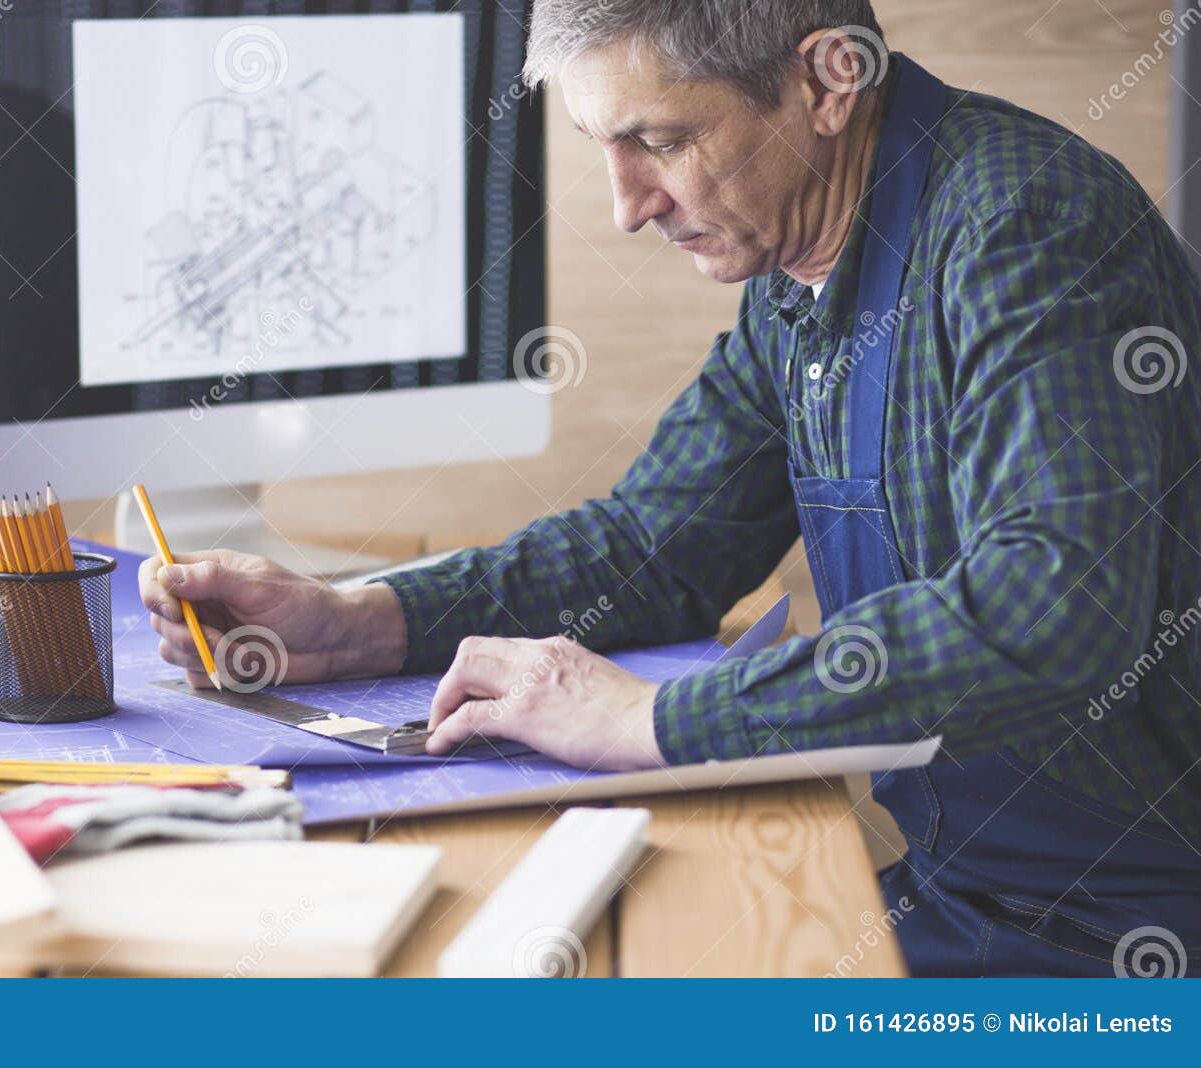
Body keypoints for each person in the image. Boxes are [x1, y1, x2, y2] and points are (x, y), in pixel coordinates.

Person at [141, 0, 1201, 976]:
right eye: (605, 148)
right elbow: (658, 541)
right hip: (956, 892)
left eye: (662, 141)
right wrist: (362, 623)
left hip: (1121, 935)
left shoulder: (1030, 226)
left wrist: (659, 721)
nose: (626, 207)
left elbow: (1055, 607)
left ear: (826, 85)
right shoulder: (796, 267)